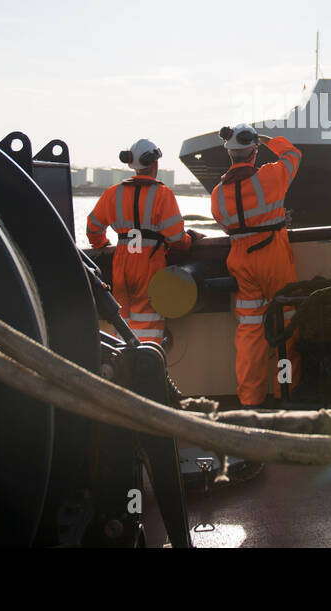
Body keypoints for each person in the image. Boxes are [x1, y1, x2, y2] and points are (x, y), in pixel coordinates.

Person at [210, 124, 302, 408]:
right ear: (253, 151)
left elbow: (223, 224)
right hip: (272, 255)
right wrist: (267, 140)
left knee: (250, 332)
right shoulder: (272, 176)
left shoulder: (217, 194)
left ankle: (250, 400)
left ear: (230, 155)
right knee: (286, 327)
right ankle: (284, 392)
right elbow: (293, 154)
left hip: (240, 261)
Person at [86, 139, 191, 347]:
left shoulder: (112, 193)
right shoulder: (163, 194)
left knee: (122, 322)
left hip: (121, 263)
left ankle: (124, 366)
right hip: (149, 265)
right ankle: (147, 366)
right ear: (154, 165)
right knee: (149, 326)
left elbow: (93, 228)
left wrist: (102, 244)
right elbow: (177, 238)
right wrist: (190, 240)